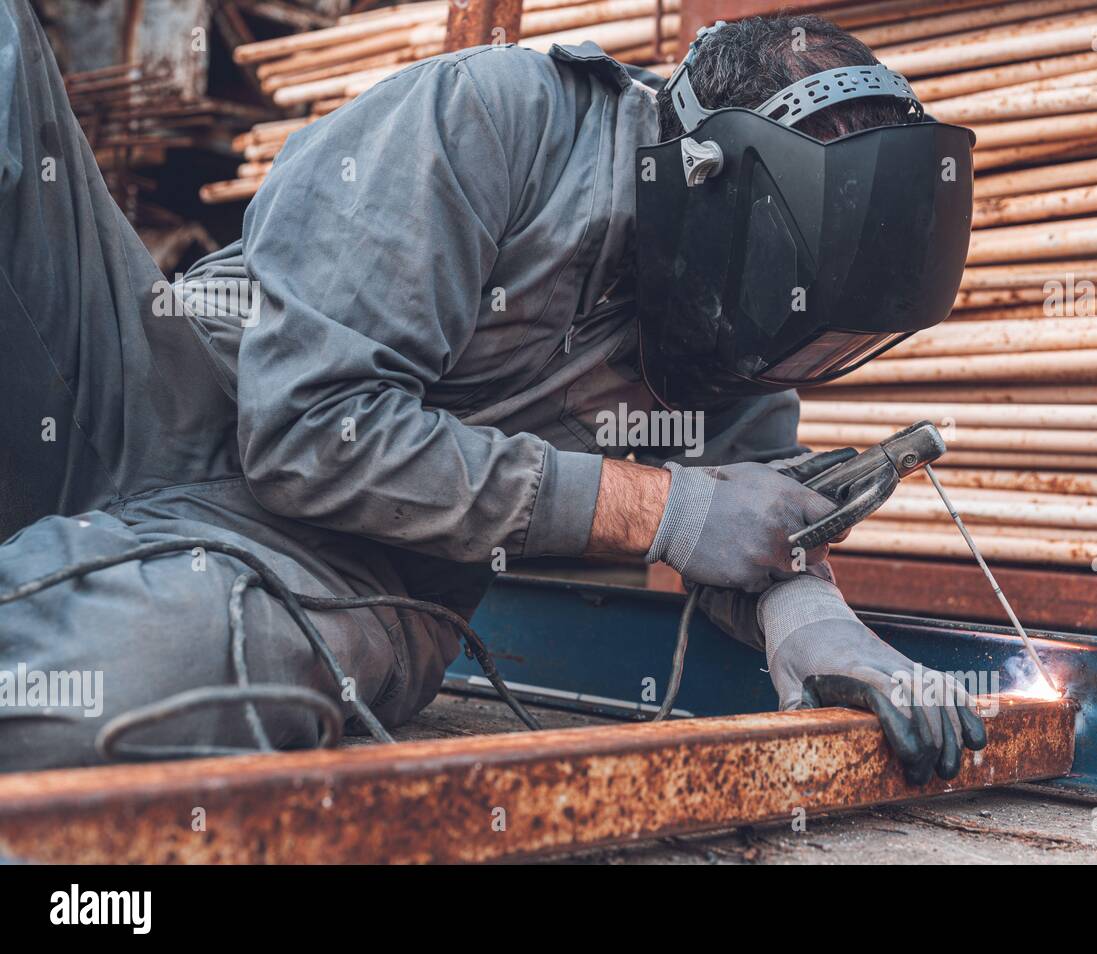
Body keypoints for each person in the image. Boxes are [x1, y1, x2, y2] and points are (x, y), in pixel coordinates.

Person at [0, 2, 983, 782]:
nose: (774, 374)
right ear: (708, 183)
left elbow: (748, 504)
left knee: (109, 699)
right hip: (136, 396)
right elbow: (313, 429)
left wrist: (814, 624)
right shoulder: (498, 121)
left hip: (346, 582)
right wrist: (662, 508)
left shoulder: (744, 323)